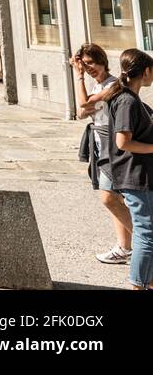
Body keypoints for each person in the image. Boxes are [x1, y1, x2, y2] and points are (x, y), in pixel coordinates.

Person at [71, 43, 132, 264]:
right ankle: (124, 248)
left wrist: (78, 77)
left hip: (114, 147)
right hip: (101, 146)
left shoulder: (113, 85)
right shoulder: (97, 87)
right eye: (84, 65)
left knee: (109, 198)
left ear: (102, 61)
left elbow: (84, 104)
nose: (89, 69)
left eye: (91, 63)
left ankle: (146, 241)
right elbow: (80, 113)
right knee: (115, 199)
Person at [104, 49, 153, 289]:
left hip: (142, 175)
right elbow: (123, 142)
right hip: (135, 176)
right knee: (147, 236)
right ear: (146, 71)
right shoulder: (126, 100)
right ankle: (137, 285)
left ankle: (148, 281)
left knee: (149, 233)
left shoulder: (132, 99)